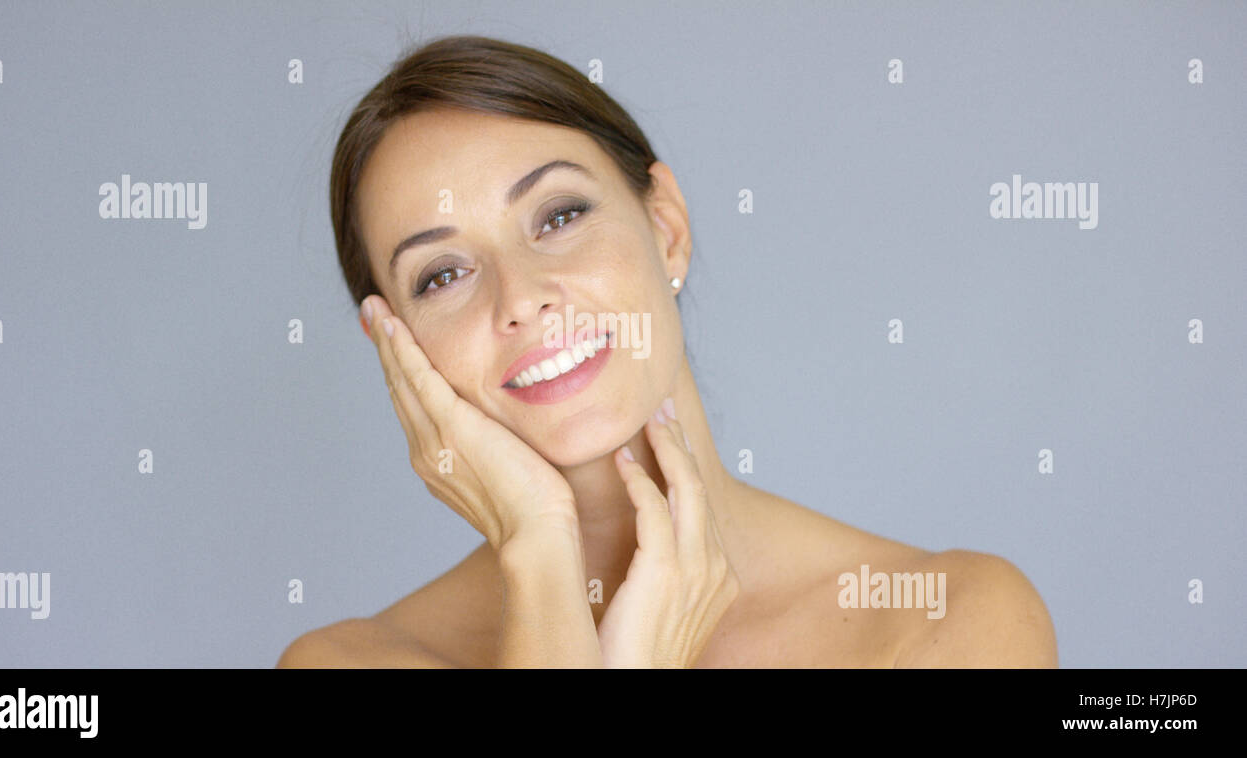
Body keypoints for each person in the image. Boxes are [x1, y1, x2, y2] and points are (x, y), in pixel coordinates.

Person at [277, 34, 1057, 668]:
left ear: (667, 228)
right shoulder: (348, 663)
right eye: (442, 275)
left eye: (558, 216)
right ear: (395, 346)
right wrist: (542, 564)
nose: (520, 299)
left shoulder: (948, 622)